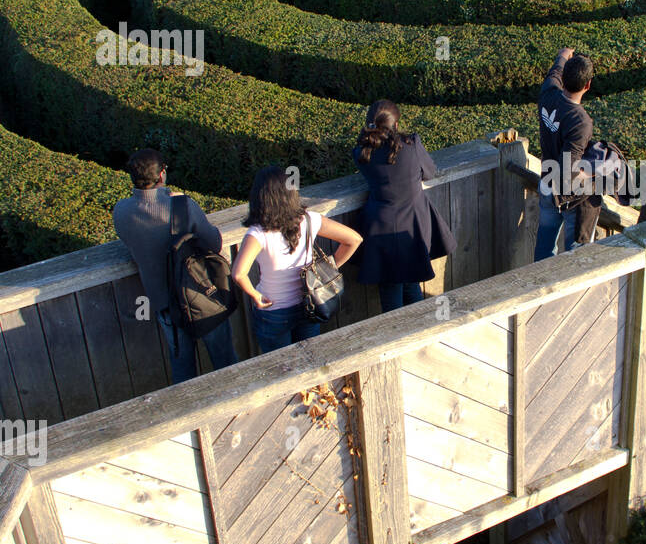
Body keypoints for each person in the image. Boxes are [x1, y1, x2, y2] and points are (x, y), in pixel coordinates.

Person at [112, 149, 238, 384]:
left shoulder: (120, 211)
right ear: (161, 175)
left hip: (165, 303)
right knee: (225, 362)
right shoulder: (182, 206)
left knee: (182, 368)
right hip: (202, 297)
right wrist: (179, 201)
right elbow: (214, 242)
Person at [232, 166, 361, 354]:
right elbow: (354, 239)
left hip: (273, 311)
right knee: (310, 361)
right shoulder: (310, 220)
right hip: (309, 303)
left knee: (279, 369)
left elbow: (238, 273)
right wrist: (330, 267)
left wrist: (256, 296)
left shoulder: (258, 233)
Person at [352, 99, 455, 313]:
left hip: (380, 225)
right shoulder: (411, 144)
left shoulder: (361, 152)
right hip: (414, 224)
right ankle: (419, 335)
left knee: (391, 294)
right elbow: (430, 172)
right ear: (396, 124)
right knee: (412, 284)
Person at [535, 47, 594, 260]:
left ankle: (538, 285)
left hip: (546, 184)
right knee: (574, 256)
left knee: (544, 246)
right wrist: (596, 173)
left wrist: (562, 56)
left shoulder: (548, 92)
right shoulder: (581, 122)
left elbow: (554, 73)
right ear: (587, 85)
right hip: (569, 196)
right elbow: (568, 169)